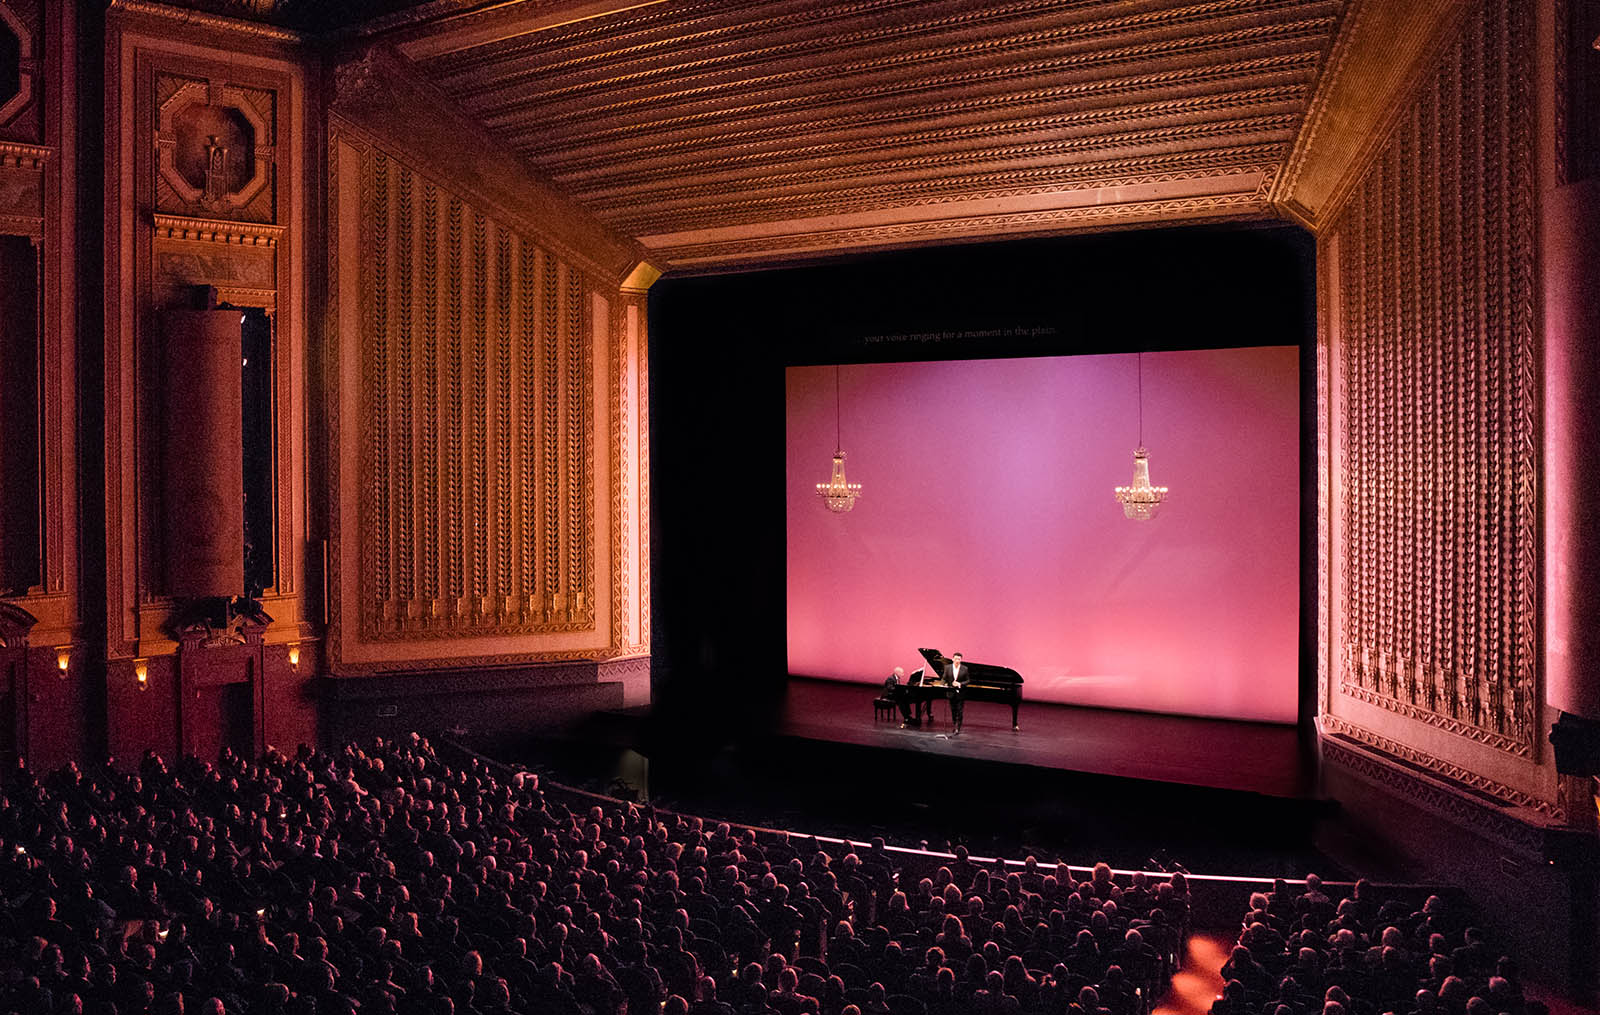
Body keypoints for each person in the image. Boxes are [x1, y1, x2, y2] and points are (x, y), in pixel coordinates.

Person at [945, 653, 969, 734]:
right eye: (956, 659)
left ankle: (958, 727)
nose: (957, 660)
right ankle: (954, 723)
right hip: (951, 692)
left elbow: (968, 680)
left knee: (960, 711)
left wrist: (959, 684)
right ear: (952, 659)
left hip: (960, 693)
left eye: (959, 659)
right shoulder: (947, 667)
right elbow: (944, 678)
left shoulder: (964, 669)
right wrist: (942, 683)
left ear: (961, 660)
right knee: (953, 710)